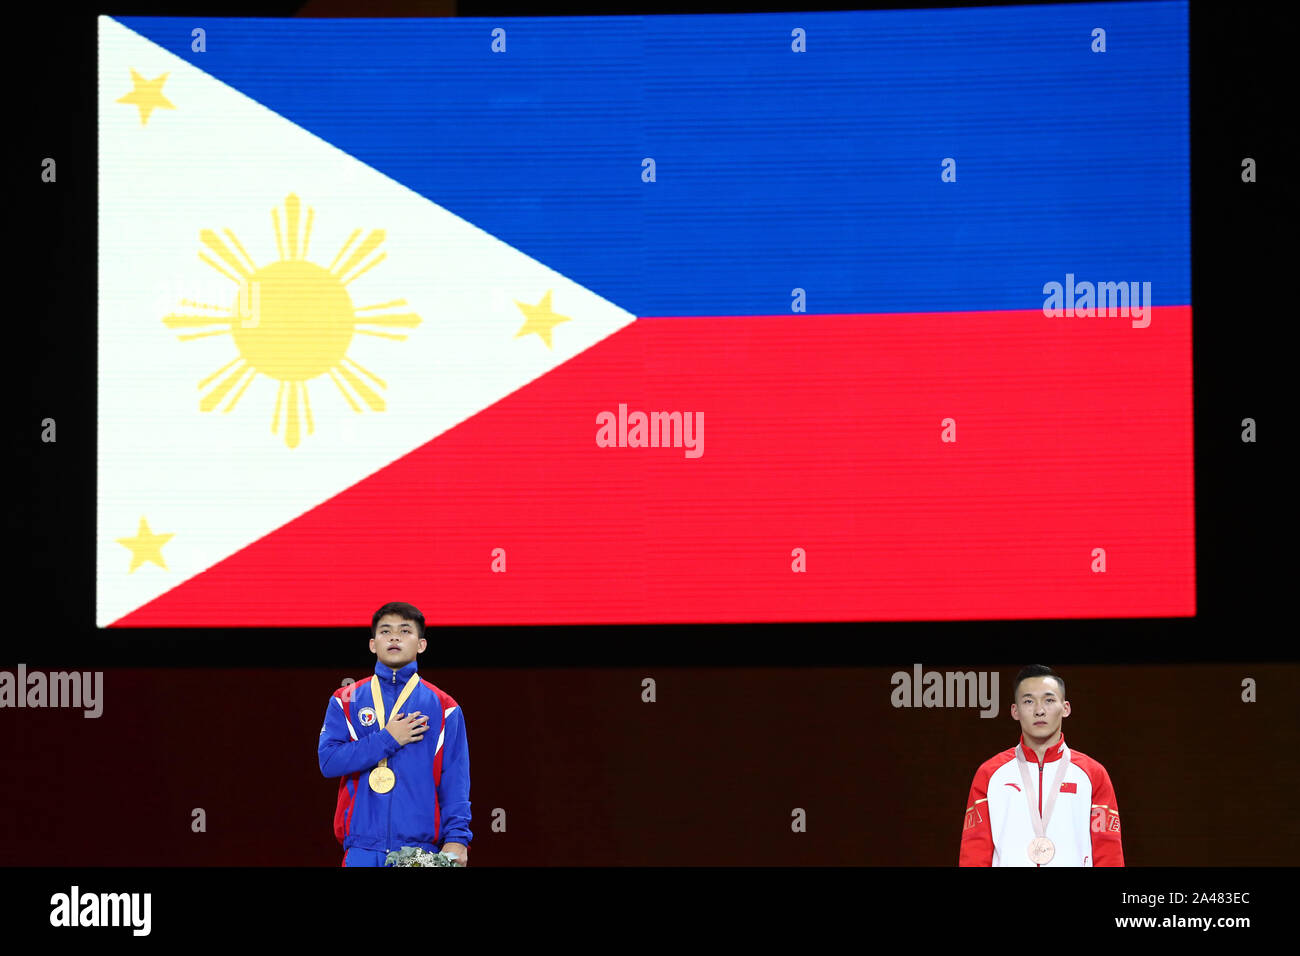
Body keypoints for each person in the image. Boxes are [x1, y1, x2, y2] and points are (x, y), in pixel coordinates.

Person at [318, 601, 472, 866]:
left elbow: (455, 781)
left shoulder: (445, 707)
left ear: (421, 645)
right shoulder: (345, 700)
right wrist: (388, 739)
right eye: (385, 631)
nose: (394, 637)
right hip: (361, 849)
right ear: (372, 644)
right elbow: (329, 762)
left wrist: (457, 838)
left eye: (405, 631)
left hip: (420, 851)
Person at [959, 664, 1122, 867]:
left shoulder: (1093, 774)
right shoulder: (990, 774)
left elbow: (1108, 851)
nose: (1039, 710)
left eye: (1049, 700)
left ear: (1066, 708)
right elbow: (974, 851)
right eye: (1028, 701)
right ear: (1015, 711)